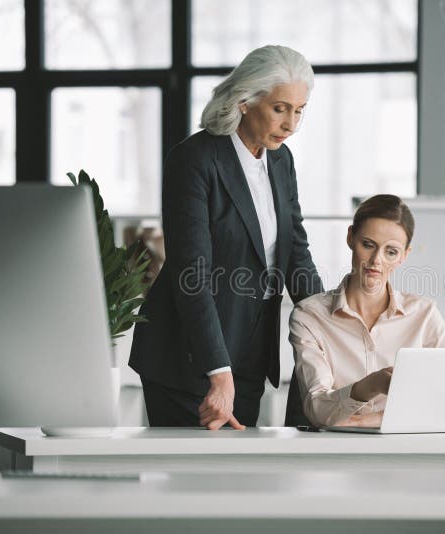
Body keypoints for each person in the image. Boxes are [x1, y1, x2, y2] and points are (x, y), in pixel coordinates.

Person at [130, 45, 323, 430]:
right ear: (246, 101)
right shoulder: (195, 159)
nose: (291, 125)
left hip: (249, 357)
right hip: (188, 358)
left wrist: (333, 328)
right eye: (280, 108)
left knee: (237, 480)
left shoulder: (281, 160)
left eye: (299, 111)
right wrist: (217, 371)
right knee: (193, 481)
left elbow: (296, 254)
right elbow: (192, 274)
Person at [288, 194, 445, 428]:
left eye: (390, 251)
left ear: (404, 256)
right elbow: (318, 410)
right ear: (350, 237)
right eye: (368, 245)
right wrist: (371, 386)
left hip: (406, 457)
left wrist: (363, 421)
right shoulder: (309, 317)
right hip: (333, 457)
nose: (376, 260)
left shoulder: (424, 314)